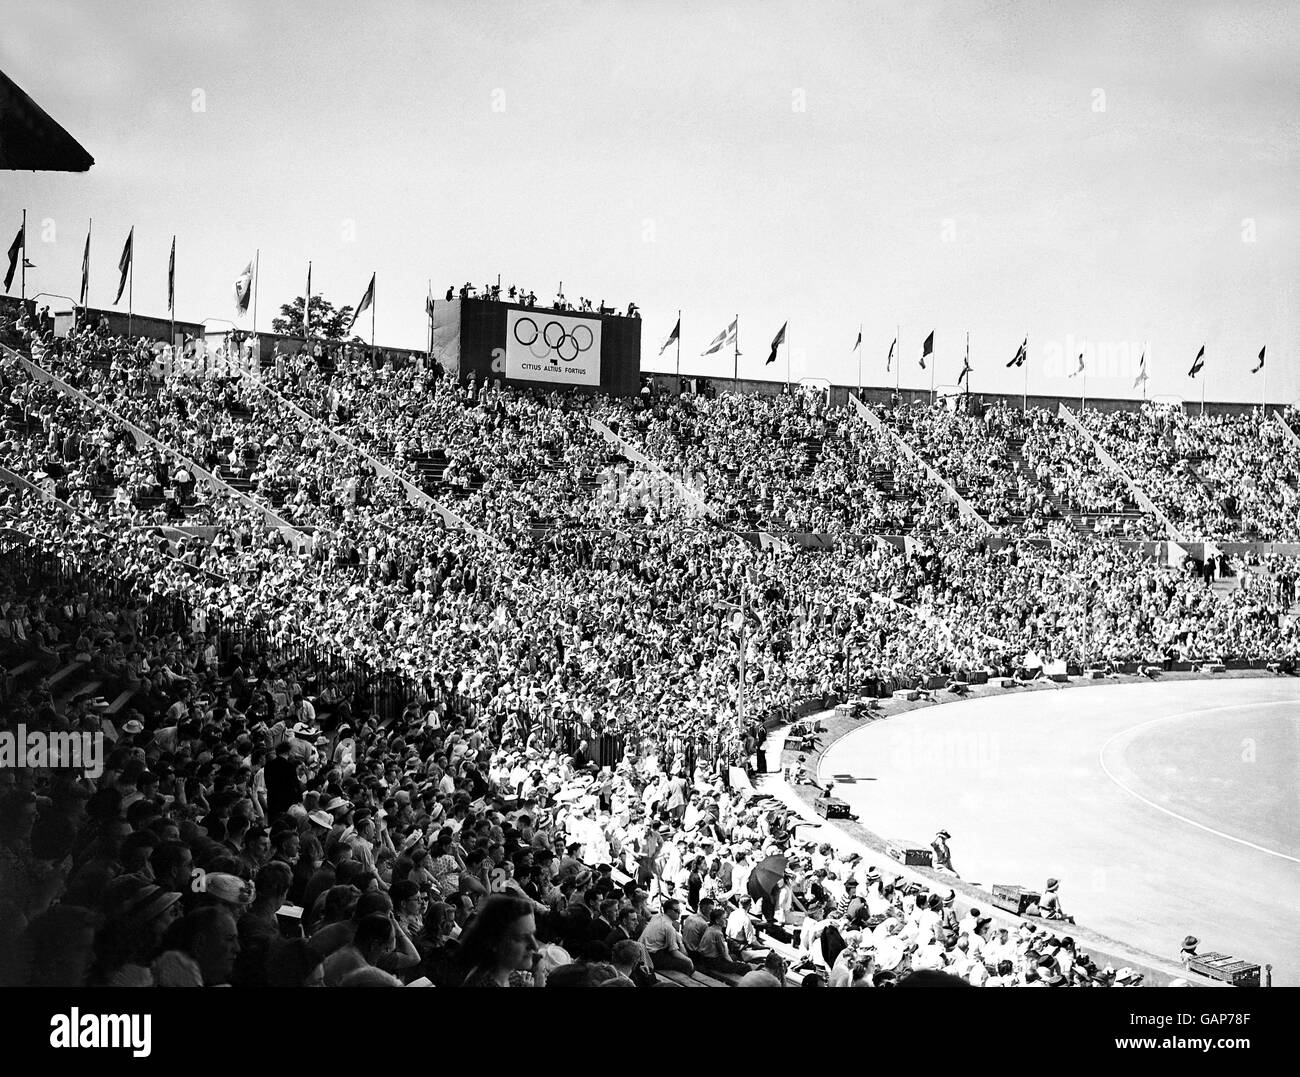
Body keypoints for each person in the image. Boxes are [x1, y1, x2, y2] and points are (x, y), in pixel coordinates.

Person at [458, 894, 547, 987]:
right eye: (522, 937)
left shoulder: (511, 978)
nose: (534, 946)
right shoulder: (483, 983)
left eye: (533, 934)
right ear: (494, 942)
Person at [639, 897, 693, 975]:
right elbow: (674, 952)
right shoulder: (668, 927)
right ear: (669, 911)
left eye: (679, 910)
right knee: (686, 965)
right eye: (676, 911)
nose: (679, 913)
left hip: (643, 950)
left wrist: (680, 941)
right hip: (652, 957)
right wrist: (688, 960)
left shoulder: (657, 916)